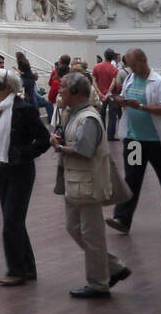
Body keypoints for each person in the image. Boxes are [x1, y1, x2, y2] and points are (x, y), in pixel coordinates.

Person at [50, 72, 132, 298]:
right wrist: (60, 140)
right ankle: (113, 267)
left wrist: (60, 148)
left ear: (76, 92)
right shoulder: (73, 114)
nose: (59, 90)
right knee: (74, 228)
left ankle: (98, 283)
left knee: (91, 235)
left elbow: (83, 151)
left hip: (88, 184)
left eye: (63, 87)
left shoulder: (88, 118)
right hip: (76, 183)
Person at [0, 67, 52, 287]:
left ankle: (17, 270)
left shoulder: (23, 109)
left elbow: (43, 139)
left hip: (20, 170)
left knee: (11, 221)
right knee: (14, 221)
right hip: (2, 169)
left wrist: (23, 154)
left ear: (5, 86)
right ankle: (27, 267)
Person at [106, 48, 161, 235]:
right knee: (131, 179)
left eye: (134, 65)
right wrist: (119, 102)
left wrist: (140, 106)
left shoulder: (160, 83)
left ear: (144, 61)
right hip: (134, 140)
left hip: (156, 142)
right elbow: (126, 100)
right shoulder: (130, 80)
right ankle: (122, 219)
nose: (132, 69)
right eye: (129, 66)